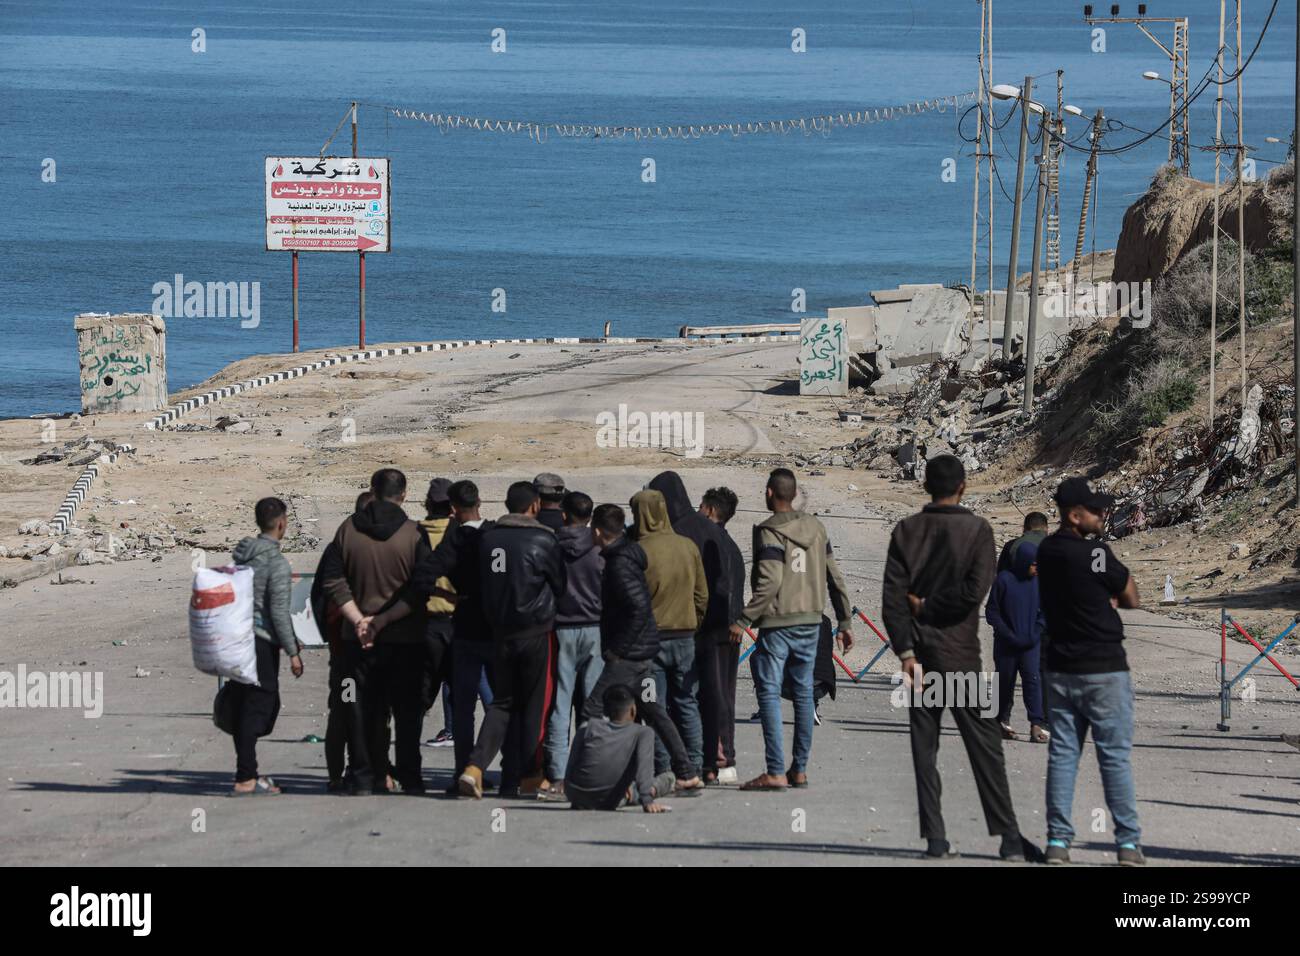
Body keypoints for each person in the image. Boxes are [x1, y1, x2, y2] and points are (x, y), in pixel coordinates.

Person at [880, 454, 1035, 861]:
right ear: (963, 486)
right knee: (985, 750)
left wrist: (906, 650)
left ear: (926, 485)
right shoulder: (978, 530)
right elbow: (972, 594)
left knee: (924, 751)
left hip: (921, 665)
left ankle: (936, 838)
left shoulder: (907, 531)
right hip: (962, 659)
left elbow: (892, 602)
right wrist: (932, 606)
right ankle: (1009, 839)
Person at [1036, 476, 1143, 866]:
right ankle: (1128, 845)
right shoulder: (1097, 553)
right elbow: (1131, 595)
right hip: (1104, 668)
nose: (1102, 515)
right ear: (1074, 514)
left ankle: (1058, 842)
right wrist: (1110, 591)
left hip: (1062, 668)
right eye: (1095, 511)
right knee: (1114, 758)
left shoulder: (1047, 551)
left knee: (1064, 755)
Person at [729, 468, 853, 792]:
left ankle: (774, 771)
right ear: (795, 494)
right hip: (811, 622)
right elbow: (834, 577)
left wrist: (743, 620)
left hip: (778, 622)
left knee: (768, 692)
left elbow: (769, 581)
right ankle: (799, 769)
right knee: (802, 694)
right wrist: (845, 621)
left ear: (770, 492)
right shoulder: (816, 527)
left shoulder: (769, 531)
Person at [322, 468, 430, 795]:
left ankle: (364, 775)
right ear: (404, 495)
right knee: (407, 713)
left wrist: (359, 619)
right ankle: (409, 777)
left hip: (357, 641)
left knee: (362, 711)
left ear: (372, 490)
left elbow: (332, 580)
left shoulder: (348, 530)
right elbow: (421, 588)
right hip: (405, 639)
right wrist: (384, 620)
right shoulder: (413, 534)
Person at [457, 481, 566, 799]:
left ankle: (474, 768)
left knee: (502, 703)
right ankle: (529, 776)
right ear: (534, 507)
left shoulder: (487, 539)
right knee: (534, 706)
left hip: (499, 633)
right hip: (535, 632)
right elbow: (560, 584)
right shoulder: (543, 539)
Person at [581, 503, 701, 790]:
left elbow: (637, 608)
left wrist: (618, 650)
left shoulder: (619, 564)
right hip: (643, 653)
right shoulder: (627, 556)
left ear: (597, 531)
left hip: (630, 657)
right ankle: (686, 772)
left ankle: (593, 775)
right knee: (654, 710)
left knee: (592, 710)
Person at [408, 479, 501, 791]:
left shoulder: (454, 539)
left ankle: (463, 768)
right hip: (492, 630)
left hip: (458, 628)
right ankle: (490, 768)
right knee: (498, 703)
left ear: (453, 508)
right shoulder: (493, 536)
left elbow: (423, 575)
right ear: (480, 503)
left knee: (460, 705)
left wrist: (448, 596)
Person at [647, 472, 733, 780]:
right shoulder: (711, 530)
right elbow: (723, 580)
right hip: (711, 627)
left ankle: (669, 765)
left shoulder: (671, 533)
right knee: (703, 697)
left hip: (680, 629)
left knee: (667, 700)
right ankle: (705, 764)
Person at [228, 497, 304, 796]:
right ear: (282, 523)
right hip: (259, 642)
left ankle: (247, 771)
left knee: (244, 705)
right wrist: (293, 652)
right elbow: (278, 613)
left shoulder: (243, 554)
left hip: (235, 638)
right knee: (260, 706)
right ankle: (246, 777)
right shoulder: (276, 563)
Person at [630, 488, 707, 778]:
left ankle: (663, 769)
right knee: (687, 703)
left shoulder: (640, 550)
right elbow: (702, 595)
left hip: (651, 642)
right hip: (685, 636)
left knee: (655, 708)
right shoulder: (687, 546)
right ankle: (695, 766)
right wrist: (693, 623)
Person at [541, 491, 605, 795]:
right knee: (592, 704)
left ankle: (557, 773)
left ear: (564, 514)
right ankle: (591, 767)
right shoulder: (598, 549)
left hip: (561, 629)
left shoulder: (551, 546)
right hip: (594, 629)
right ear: (590, 517)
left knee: (560, 703)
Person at [311, 490, 372, 793]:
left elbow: (319, 598)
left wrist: (328, 636)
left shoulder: (338, 546)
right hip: (364, 647)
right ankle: (365, 772)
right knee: (366, 711)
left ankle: (340, 774)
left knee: (343, 710)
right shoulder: (369, 546)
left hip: (343, 648)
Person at [565, 684, 675, 813]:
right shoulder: (643, 733)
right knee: (669, 777)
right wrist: (647, 800)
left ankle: (628, 791)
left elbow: (571, 767)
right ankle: (634, 794)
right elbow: (644, 771)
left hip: (576, 796)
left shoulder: (587, 727)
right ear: (633, 710)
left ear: (605, 712)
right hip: (609, 799)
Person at [699, 486, 745, 783]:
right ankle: (724, 756)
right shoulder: (733, 546)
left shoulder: (710, 544)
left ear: (712, 511)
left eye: (701, 507)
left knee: (713, 694)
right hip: (731, 629)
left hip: (715, 630)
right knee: (725, 693)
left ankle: (718, 758)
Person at [985, 541, 1049, 743]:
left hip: (1030, 645)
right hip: (1006, 645)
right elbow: (992, 612)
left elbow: (1045, 613)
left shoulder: (1039, 583)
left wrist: (1035, 633)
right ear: (1023, 562)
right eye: (1034, 565)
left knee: (1032, 682)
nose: (1036, 569)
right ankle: (1001, 722)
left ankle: (1036, 725)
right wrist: (1008, 634)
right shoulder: (1004, 580)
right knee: (1005, 683)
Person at [417, 478, 456, 749]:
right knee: (465, 685)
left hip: (424, 622)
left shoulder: (415, 534)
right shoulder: (462, 534)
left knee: (421, 688)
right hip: (458, 621)